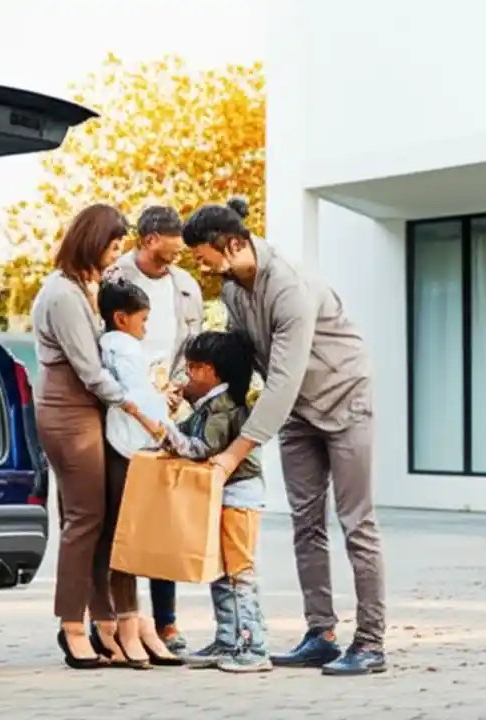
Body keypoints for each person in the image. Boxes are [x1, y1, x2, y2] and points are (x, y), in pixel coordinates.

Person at [180, 197, 387, 676]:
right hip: (296, 413)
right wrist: (192, 393)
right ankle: (322, 633)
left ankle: (372, 642)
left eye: (202, 254)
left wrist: (234, 453)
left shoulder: (289, 288)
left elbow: (283, 378)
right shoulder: (233, 290)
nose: (199, 264)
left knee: (357, 522)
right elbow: (240, 362)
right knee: (306, 522)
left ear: (231, 245)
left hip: (344, 400)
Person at [30, 203, 147, 670]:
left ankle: (105, 622)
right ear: (93, 241)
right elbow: (90, 370)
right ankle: (71, 626)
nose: (117, 254)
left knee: (101, 520)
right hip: (68, 410)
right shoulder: (61, 294)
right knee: (83, 521)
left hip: (85, 409)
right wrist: (137, 405)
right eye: (113, 245)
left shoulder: (81, 287)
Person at [106, 205, 204, 653]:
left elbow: (192, 345)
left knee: (163, 517)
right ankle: (115, 619)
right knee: (123, 519)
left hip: (169, 412)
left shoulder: (186, 287)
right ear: (148, 241)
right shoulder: (114, 277)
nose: (178, 256)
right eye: (170, 249)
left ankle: (166, 622)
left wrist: (178, 391)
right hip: (124, 414)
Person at [158, 331, 270, 673]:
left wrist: (161, 428)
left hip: (239, 495)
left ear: (212, 372)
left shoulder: (224, 407)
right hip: (224, 494)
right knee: (222, 573)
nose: (187, 375)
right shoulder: (212, 403)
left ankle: (253, 646)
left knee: (239, 573)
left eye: (193, 368)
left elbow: (199, 447)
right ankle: (227, 639)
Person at [92, 278, 186, 667]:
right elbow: (140, 398)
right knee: (125, 539)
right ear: (121, 318)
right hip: (131, 449)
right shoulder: (125, 349)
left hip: (122, 445)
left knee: (121, 537)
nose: (146, 328)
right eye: (143, 319)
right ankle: (126, 624)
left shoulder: (111, 348)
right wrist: (167, 431)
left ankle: (129, 620)